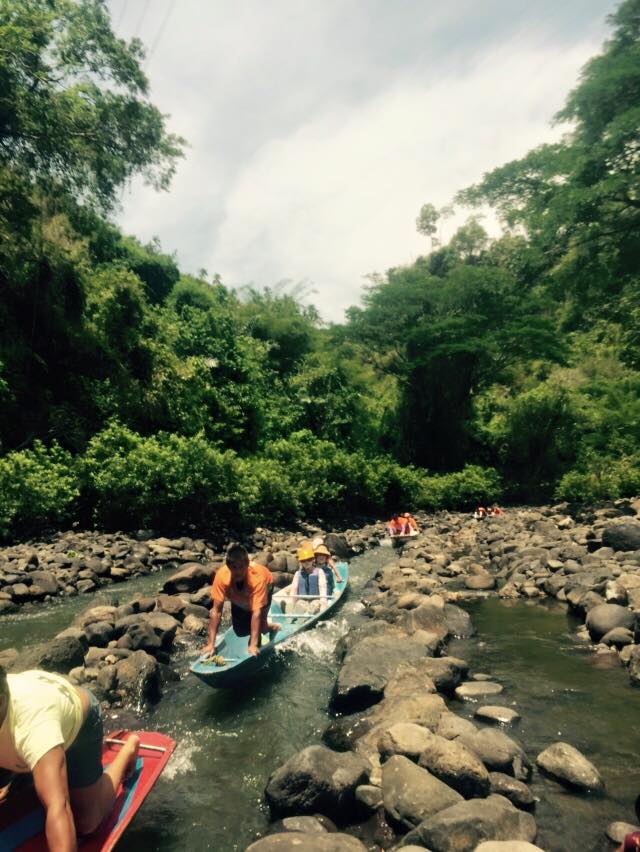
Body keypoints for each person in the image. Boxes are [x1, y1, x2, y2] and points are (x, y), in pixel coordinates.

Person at [0, 665, 139, 851]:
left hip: (76, 730)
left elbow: (58, 807)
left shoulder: (35, 725)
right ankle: (23, 772)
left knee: (87, 822)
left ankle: (127, 752)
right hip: (21, 731)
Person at [204, 544, 278, 658]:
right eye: (234, 567)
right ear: (228, 566)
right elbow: (216, 611)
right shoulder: (221, 577)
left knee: (260, 629)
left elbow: (256, 613)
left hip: (266, 587)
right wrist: (210, 644)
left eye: (241, 567)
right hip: (240, 594)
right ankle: (265, 627)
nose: (238, 571)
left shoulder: (257, 578)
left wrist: (253, 645)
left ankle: (268, 627)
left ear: (247, 564)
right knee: (240, 631)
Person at [289, 545, 328, 612]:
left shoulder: (320, 572)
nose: (306, 562)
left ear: (313, 560)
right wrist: (291, 603)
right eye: (303, 561)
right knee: (299, 604)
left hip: (316, 600)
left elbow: (322, 589)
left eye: (309, 560)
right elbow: (294, 590)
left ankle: (308, 613)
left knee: (314, 606)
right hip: (302, 600)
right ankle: (295, 613)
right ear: (300, 562)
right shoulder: (297, 574)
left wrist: (323, 604)